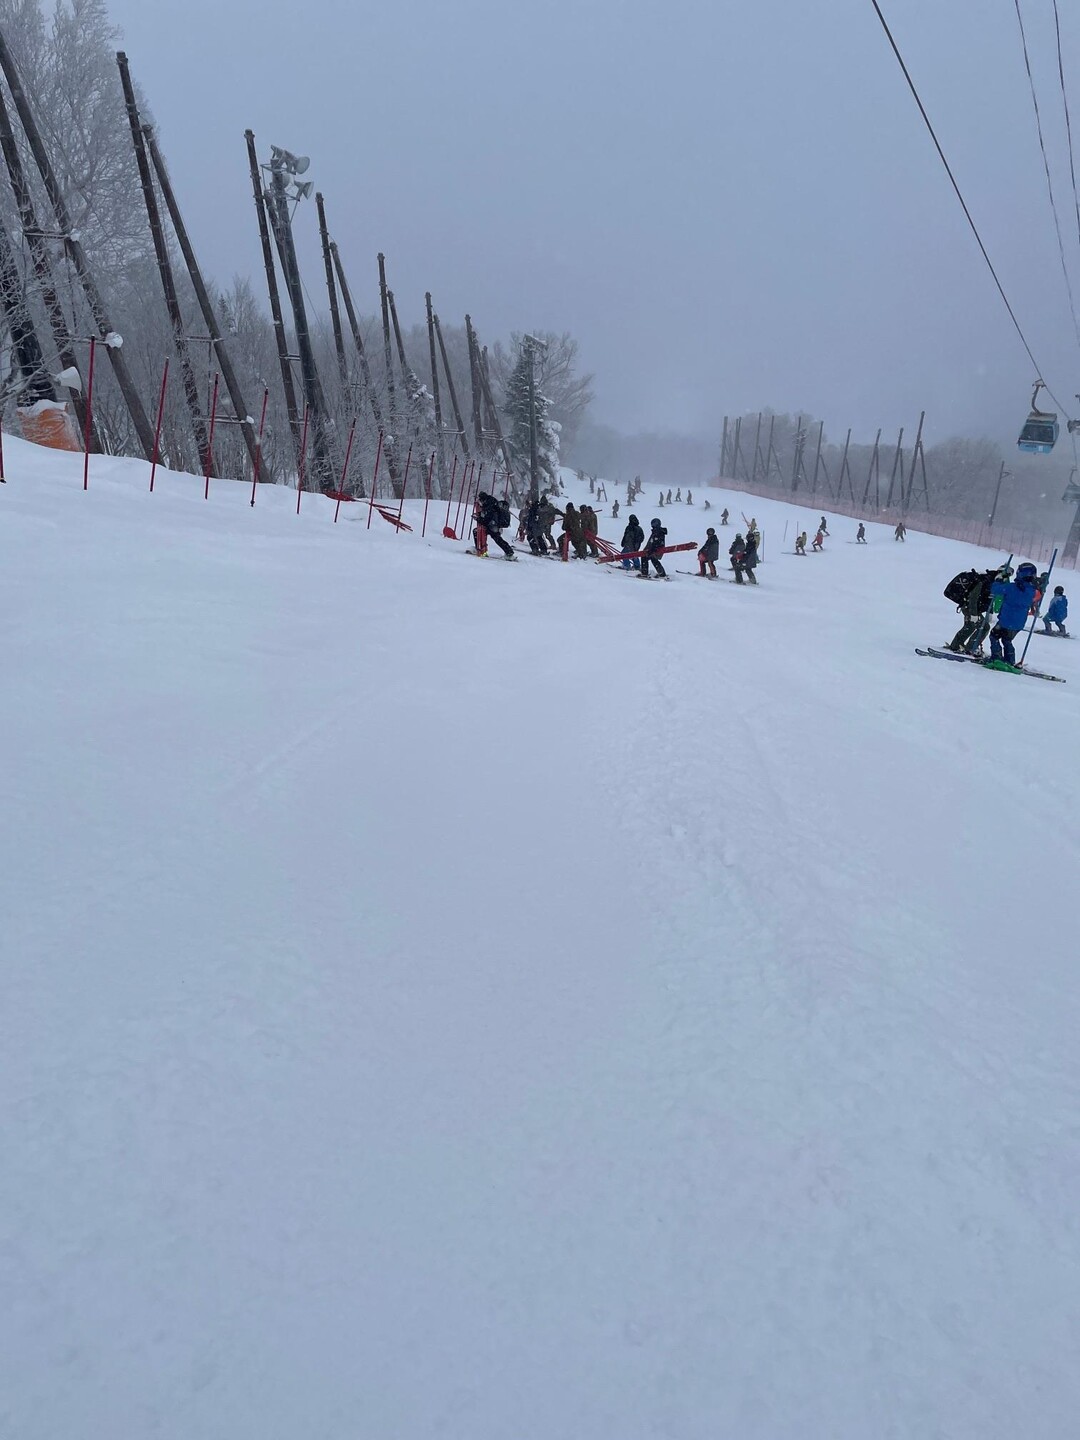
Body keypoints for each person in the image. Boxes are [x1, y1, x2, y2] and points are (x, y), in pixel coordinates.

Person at [988, 561, 1041, 667]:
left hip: (1005, 620)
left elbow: (995, 589)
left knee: (994, 636)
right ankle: (1009, 660)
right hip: (1018, 623)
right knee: (1007, 640)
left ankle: (996, 657)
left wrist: (998, 580)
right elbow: (1036, 596)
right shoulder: (1031, 591)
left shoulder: (1011, 587)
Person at [945, 568, 998, 654]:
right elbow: (973, 598)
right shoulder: (983, 582)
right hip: (969, 607)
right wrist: (974, 614)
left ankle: (956, 645)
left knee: (970, 626)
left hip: (968, 606)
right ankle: (970, 648)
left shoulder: (988, 581)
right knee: (984, 627)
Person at [472, 490, 516, 558]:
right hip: (494, 525)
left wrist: (478, 519)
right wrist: (479, 515)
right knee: (497, 539)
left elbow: (487, 519)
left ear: (482, 499)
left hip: (493, 525)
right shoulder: (491, 502)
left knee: (477, 532)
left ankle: (480, 549)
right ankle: (509, 551)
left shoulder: (489, 505)